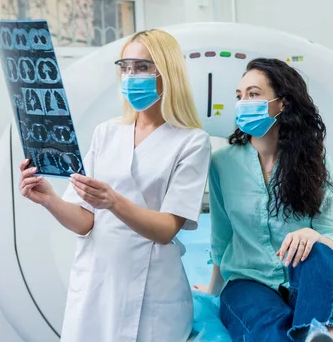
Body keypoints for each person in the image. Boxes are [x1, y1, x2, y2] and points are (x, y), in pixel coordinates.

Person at [19, 29, 211, 342]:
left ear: (167, 73)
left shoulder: (191, 141)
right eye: (126, 68)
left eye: (142, 67)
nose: (131, 76)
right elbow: (85, 222)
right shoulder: (106, 132)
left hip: (151, 292)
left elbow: (166, 229)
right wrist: (49, 199)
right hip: (98, 281)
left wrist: (113, 202)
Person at [194, 58, 333, 342]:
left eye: (254, 94)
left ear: (282, 104)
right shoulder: (222, 163)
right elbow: (222, 238)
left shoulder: (314, 160)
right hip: (247, 281)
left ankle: (330, 337)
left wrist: (313, 235)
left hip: (303, 275)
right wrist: (212, 291)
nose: (243, 103)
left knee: (320, 249)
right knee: (267, 325)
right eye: (239, 96)